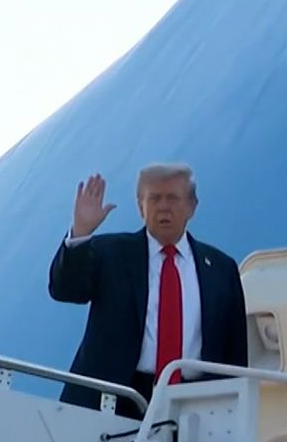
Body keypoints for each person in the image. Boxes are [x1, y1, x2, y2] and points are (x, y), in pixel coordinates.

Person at [48, 163, 248, 419]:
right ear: (140, 207)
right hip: (116, 401)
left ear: (192, 206)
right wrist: (80, 233)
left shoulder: (221, 268)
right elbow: (65, 290)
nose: (163, 207)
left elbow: (235, 354)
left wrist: (234, 410)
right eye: (154, 198)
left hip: (197, 406)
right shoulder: (110, 253)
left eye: (173, 198)